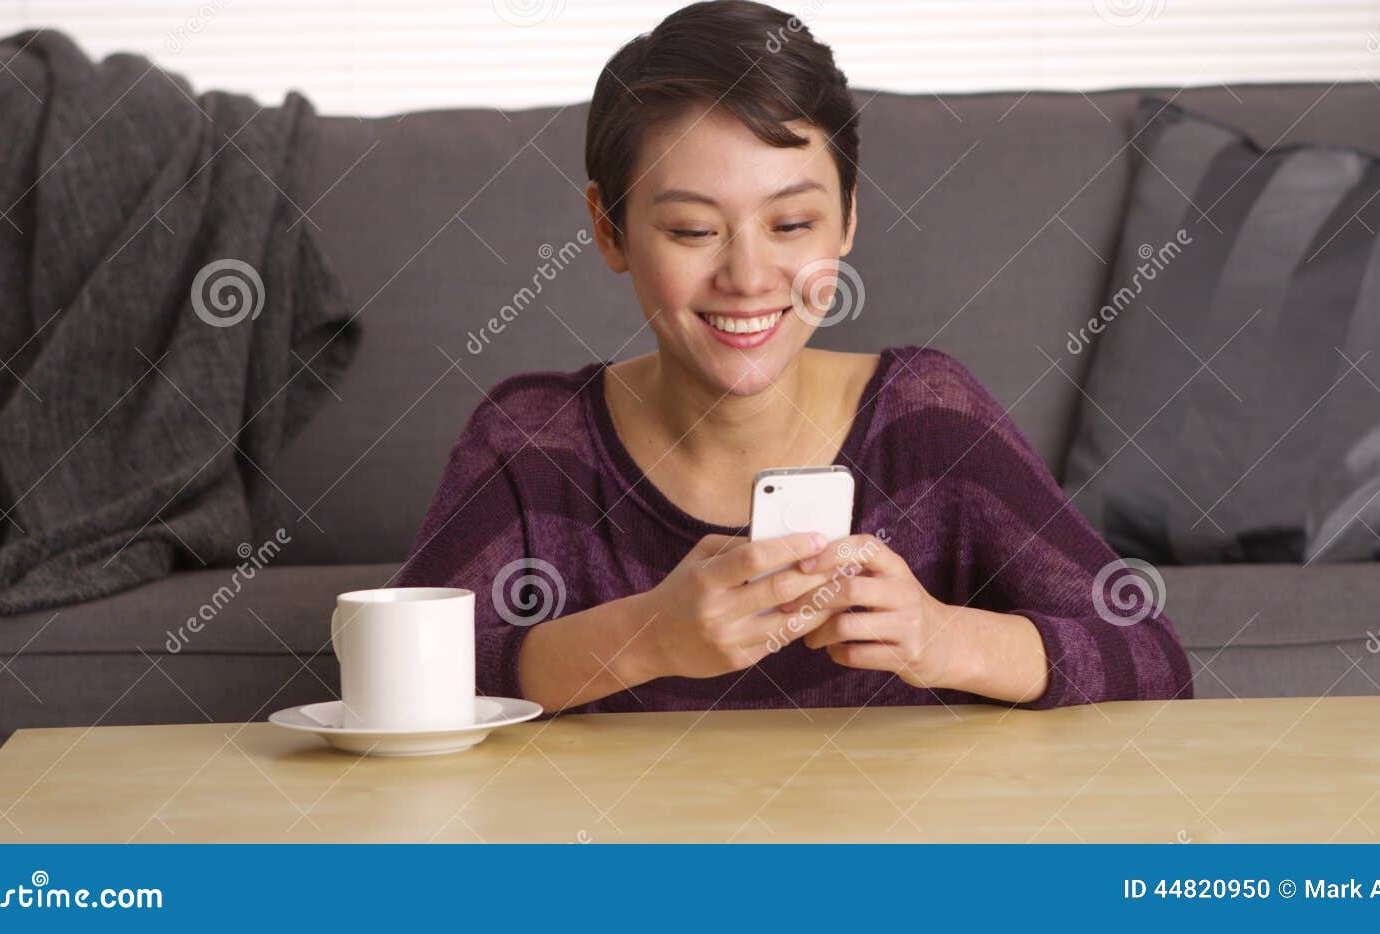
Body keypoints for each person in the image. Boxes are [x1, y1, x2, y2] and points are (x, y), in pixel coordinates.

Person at [393, 0, 1194, 715]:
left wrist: (943, 639)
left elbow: (1154, 660)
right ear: (609, 231)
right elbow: (396, 680)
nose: (746, 278)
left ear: (847, 219)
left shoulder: (927, 418)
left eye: (790, 226)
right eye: (693, 231)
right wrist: (644, 638)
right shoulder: (533, 440)